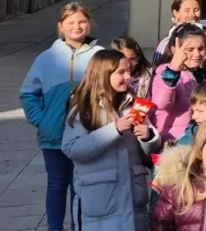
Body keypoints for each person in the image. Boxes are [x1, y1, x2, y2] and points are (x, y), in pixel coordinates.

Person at [20, 2, 103, 231]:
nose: (77, 27)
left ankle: (80, 226)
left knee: (81, 186)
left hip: (87, 136)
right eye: (71, 23)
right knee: (56, 184)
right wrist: (42, 120)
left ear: (89, 24)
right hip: (54, 135)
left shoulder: (100, 56)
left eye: (82, 22)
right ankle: (54, 228)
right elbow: (28, 93)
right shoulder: (46, 58)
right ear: (60, 27)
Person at [62, 49, 161, 231]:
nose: (128, 76)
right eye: (121, 72)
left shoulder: (134, 106)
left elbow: (150, 151)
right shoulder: (84, 110)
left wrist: (148, 136)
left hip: (133, 198)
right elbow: (72, 149)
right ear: (103, 74)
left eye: (129, 71)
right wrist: (113, 130)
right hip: (100, 199)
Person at [152, 23, 206, 142]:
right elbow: (160, 103)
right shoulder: (165, 72)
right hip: (174, 142)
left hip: (196, 139)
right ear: (174, 50)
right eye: (189, 49)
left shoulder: (200, 74)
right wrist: (174, 67)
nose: (197, 54)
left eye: (201, 48)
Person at [153, 0, 205, 65]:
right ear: (176, 13)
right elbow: (157, 70)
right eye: (187, 10)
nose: (192, 15)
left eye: (196, 10)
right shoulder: (167, 42)